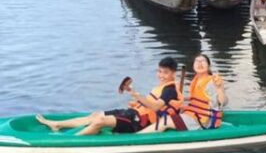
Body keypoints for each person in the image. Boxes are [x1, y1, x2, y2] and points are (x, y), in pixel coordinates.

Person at [36, 57, 181, 136]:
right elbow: (149, 103)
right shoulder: (161, 87)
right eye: (159, 71)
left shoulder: (170, 90)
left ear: (173, 73)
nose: (161, 75)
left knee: (99, 121)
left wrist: (136, 94)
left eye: (165, 73)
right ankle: (57, 124)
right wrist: (136, 101)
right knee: (95, 114)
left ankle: (71, 140)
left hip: (138, 122)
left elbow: (155, 106)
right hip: (133, 113)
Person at [141, 54, 228, 132]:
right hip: (194, 115)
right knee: (168, 113)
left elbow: (222, 102)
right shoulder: (196, 79)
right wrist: (180, 98)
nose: (200, 63)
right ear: (193, 65)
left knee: (165, 121)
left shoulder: (212, 81)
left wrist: (220, 88)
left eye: (203, 61)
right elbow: (199, 98)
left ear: (208, 66)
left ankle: (137, 137)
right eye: (197, 61)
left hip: (203, 121)